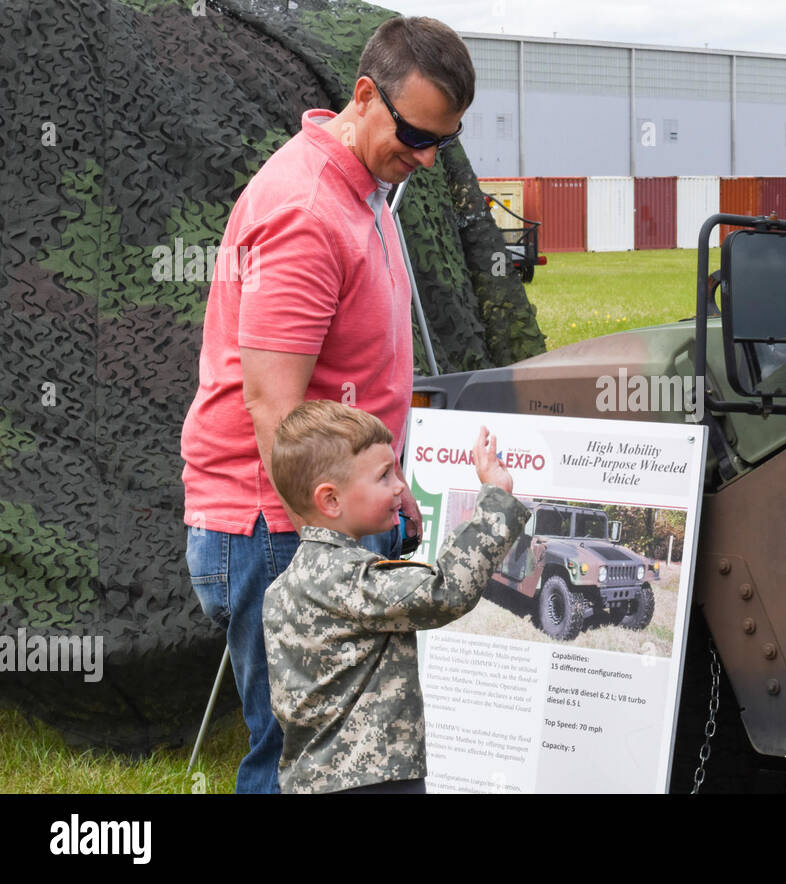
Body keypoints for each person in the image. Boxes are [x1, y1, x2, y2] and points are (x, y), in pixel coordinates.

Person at [180, 16, 474, 792]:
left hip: (324, 512)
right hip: (282, 528)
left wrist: (382, 488)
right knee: (298, 762)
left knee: (347, 757)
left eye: (441, 141)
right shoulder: (308, 209)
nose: (424, 157)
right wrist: (331, 543)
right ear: (365, 94)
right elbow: (274, 409)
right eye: (413, 133)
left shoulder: (364, 183)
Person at [261, 402, 528, 793]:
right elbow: (446, 590)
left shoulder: (282, 587)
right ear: (330, 500)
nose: (399, 486)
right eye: (384, 476)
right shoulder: (350, 578)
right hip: (372, 780)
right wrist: (496, 500)